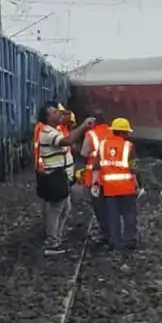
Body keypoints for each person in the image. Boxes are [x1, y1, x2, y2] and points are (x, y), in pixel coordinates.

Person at [34, 102, 95, 255]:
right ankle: (52, 243)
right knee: (55, 210)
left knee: (64, 208)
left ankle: (56, 237)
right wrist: (83, 126)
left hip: (61, 177)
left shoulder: (55, 130)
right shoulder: (47, 133)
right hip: (55, 177)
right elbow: (67, 141)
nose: (58, 113)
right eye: (54, 112)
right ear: (47, 118)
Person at [86, 116, 139, 255]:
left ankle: (115, 241)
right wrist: (137, 185)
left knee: (113, 215)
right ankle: (129, 241)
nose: (128, 135)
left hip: (109, 188)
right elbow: (133, 168)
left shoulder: (103, 145)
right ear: (122, 133)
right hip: (126, 187)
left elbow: (96, 166)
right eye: (126, 132)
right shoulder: (129, 146)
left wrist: (95, 184)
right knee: (129, 214)